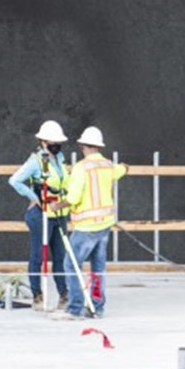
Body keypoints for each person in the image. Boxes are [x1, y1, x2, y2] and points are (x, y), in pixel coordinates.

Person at [55, 126, 127, 320]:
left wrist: (56, 206)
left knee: (71, 265)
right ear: (99, 146)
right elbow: (121, 170)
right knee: (98, 268)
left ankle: (75, 308)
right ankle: (97, 307)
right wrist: (125, 166)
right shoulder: (108, 165)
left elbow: (73, 198)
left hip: (86, 227)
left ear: (82, 146)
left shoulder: (81, 168)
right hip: (104, 225)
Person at [8, 120, 70, 309]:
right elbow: (15, 180)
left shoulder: (60, 158)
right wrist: (33, 197)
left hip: (59, 214)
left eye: (58, 142)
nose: (56, 145)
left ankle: (64, 294)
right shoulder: (36, 161)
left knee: (60, 256)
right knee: (38, 256)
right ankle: (37, 294)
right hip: (41, 215)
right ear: (43, 141)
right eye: (52, 142)